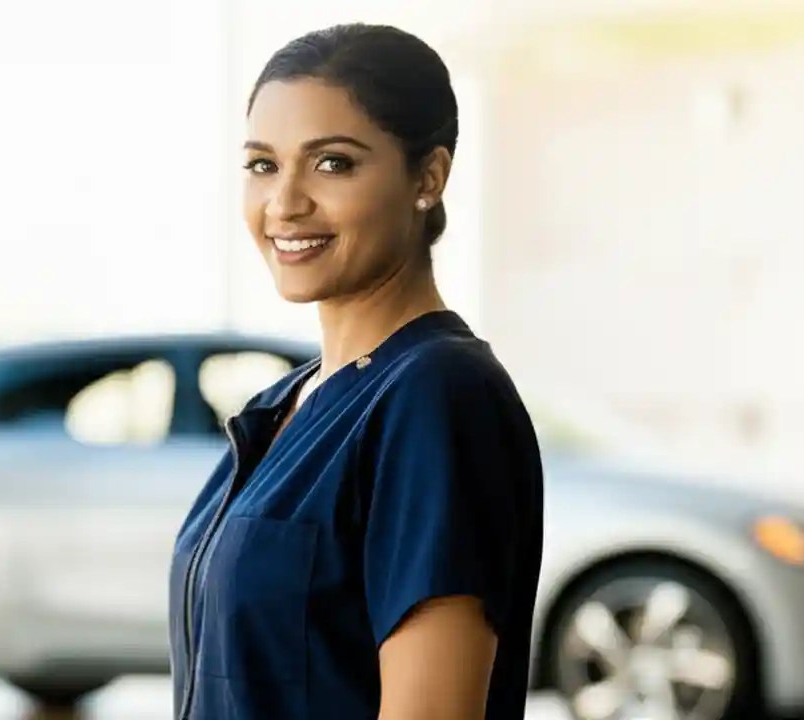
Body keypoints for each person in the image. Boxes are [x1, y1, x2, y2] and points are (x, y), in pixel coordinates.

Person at [168, 23, 544, 720]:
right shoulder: (287, 403)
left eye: (332, 163)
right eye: (262, 165)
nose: (285, 203)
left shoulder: (435, 397)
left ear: (427, 177)